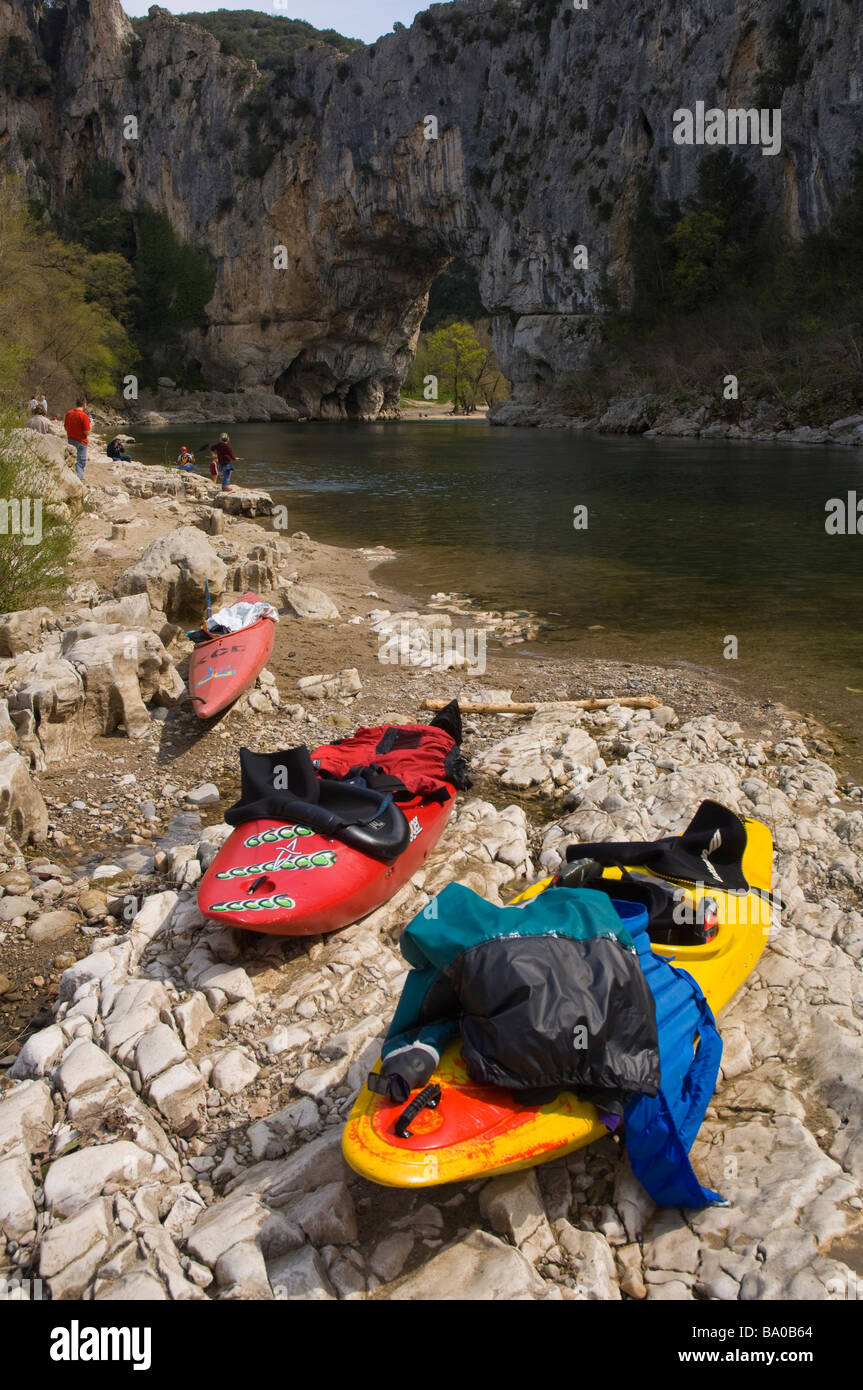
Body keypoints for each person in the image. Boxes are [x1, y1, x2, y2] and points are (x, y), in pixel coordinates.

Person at [64, 396, 92, 480]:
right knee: (80, 462)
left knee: (70, 459)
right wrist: (91, 425)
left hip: (71, 439)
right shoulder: (84, 416)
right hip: (82, 441)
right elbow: (87, 432)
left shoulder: (69, 413)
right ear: (84, 404)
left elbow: (65, 427)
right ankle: (78, 479)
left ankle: (70, 476)